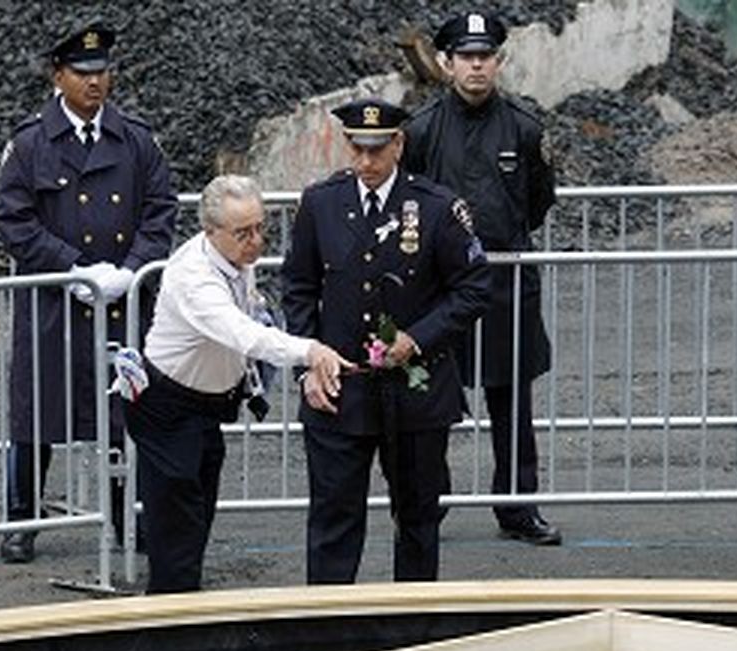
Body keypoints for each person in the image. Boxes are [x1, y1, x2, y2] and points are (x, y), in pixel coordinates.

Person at [281, 98, 491, 584]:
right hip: (341, 388)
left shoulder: (436, 207)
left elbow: (475, 287)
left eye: (377, 150)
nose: (366, 162)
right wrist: (306, 363)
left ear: (399, 144)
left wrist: (417, 340)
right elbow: (299, 289)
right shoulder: (321, 203)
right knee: (334, 518)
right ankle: (327, 627)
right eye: (357, 149)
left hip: (414, 392)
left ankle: (413, 627)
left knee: (418, 519)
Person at [0, 21, 177, 563]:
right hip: (55, 302)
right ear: (58, 76)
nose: (96, 82)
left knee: (125, 414)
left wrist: (133, 268)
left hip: (120, 303)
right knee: (36, 415)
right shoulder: (30, 144)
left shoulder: (136, 140)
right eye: (83, 73)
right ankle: (21, 520)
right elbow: (15, 221)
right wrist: (74, 270)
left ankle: (128, 519)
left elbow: (160, 210)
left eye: (103, 72)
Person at [124, 175, 351, 594]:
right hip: (168, 406)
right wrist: (310, 351)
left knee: (197, 514)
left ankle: (181, 599)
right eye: (243, 232)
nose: (256, 241)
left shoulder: (233, 260)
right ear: (209, 232)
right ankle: (169, 618)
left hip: (205, 406)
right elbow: (243, 333)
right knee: (177, 525)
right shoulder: (194, 276)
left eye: (261, 227)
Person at [403, 10, 562, 546]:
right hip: (441, 290)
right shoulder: (421, 130)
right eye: (466, 57)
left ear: (499, 61)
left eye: (485, 56)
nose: (477, 66)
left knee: (511, 400)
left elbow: (537, 203)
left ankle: (517, 508)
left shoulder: (524, 126)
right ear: (446, 64)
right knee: (431, 403)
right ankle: (426, 508)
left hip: (506, 284)